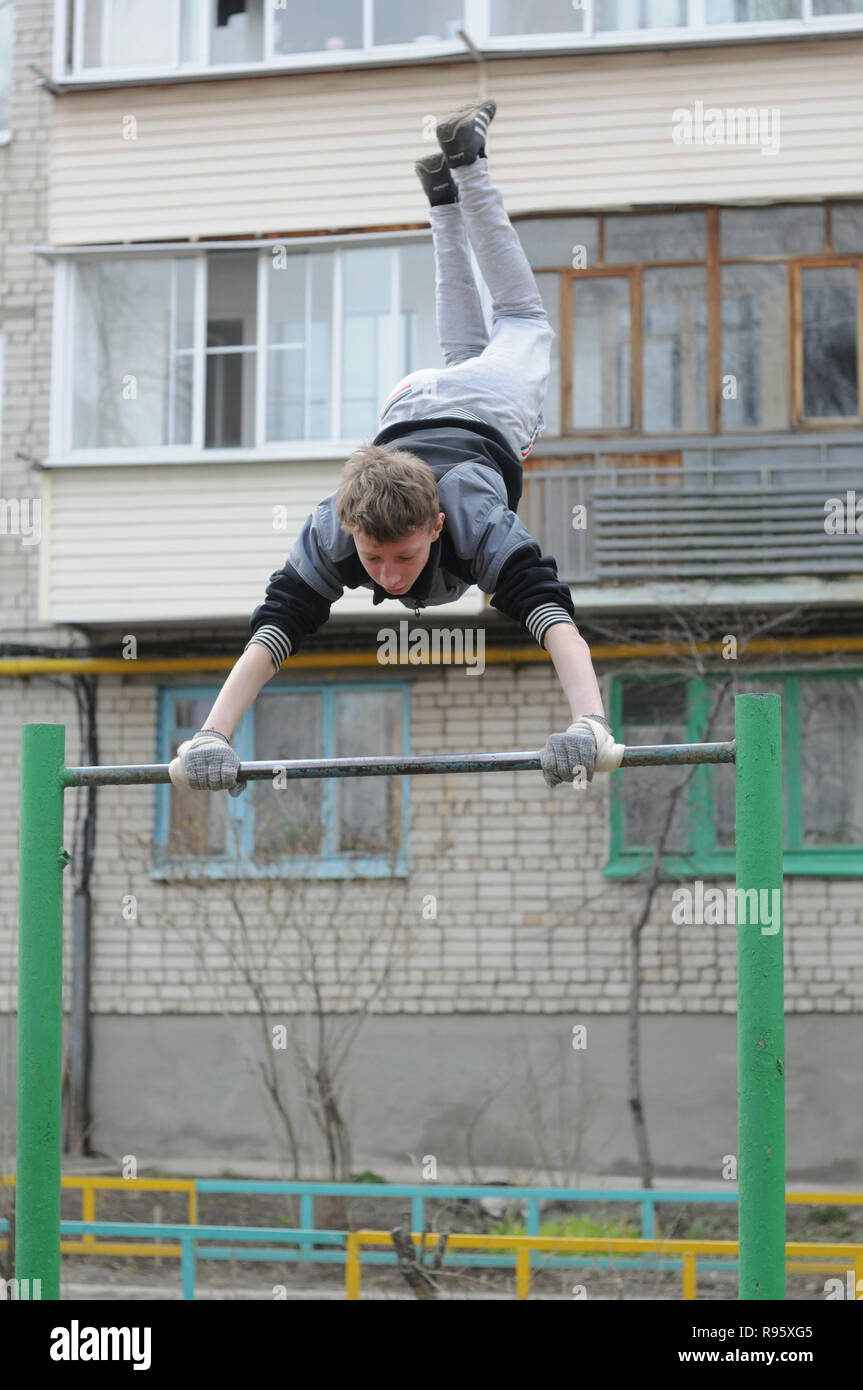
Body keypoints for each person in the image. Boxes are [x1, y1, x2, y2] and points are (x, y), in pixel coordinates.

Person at [169, 99, 624, 797]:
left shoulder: (470, 511)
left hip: (467, 400)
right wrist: (209, 734)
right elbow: (273, 631)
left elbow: (553, 617)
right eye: (375, 558)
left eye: (404, 557)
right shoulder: (334, 527)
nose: (385, 575)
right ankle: (446, 191)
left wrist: (590, 724)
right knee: (473, 345)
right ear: (350, 528)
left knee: (520, 318)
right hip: (408, 406)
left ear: (438, 525)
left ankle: (463, 172)